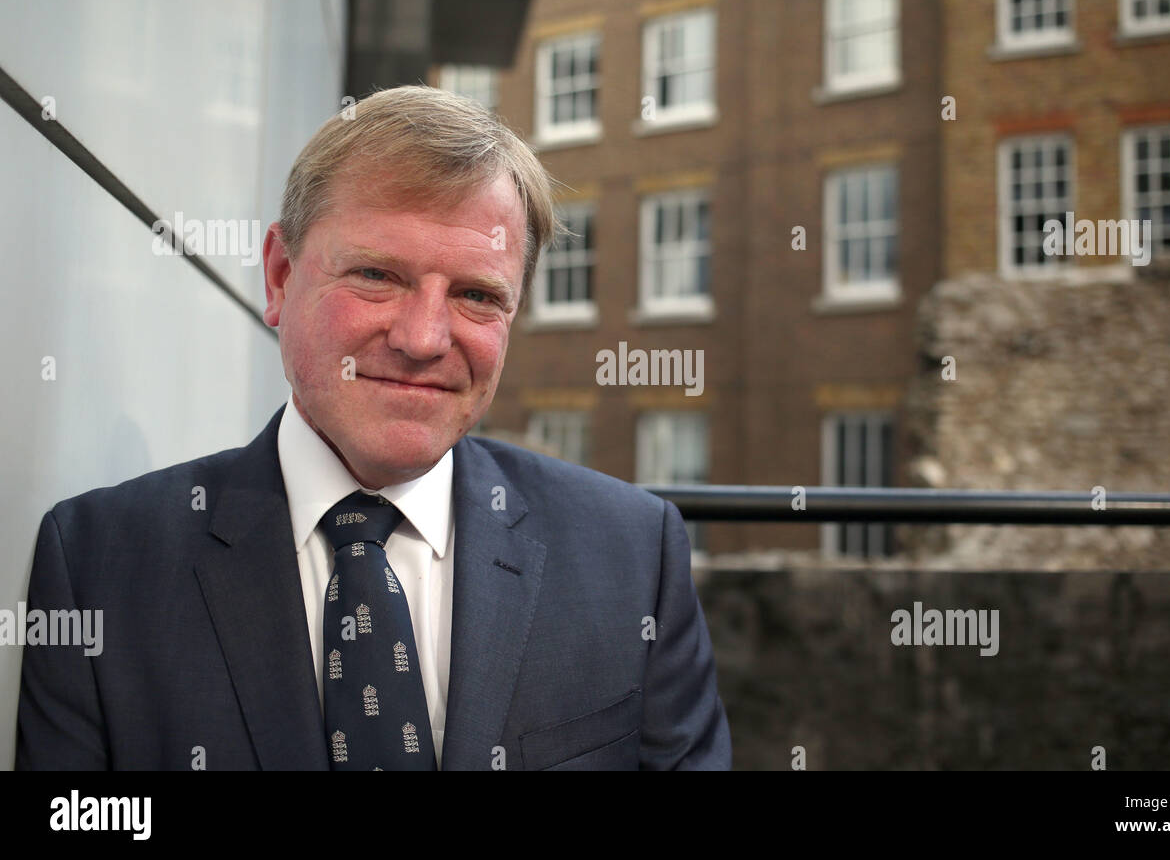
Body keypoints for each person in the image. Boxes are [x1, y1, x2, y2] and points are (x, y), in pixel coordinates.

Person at [15, 85, 731, 770]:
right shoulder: (99, 568)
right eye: (377, 276)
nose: (424, 338)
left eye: (477, 295)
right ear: (279, 278)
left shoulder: (632, 556)